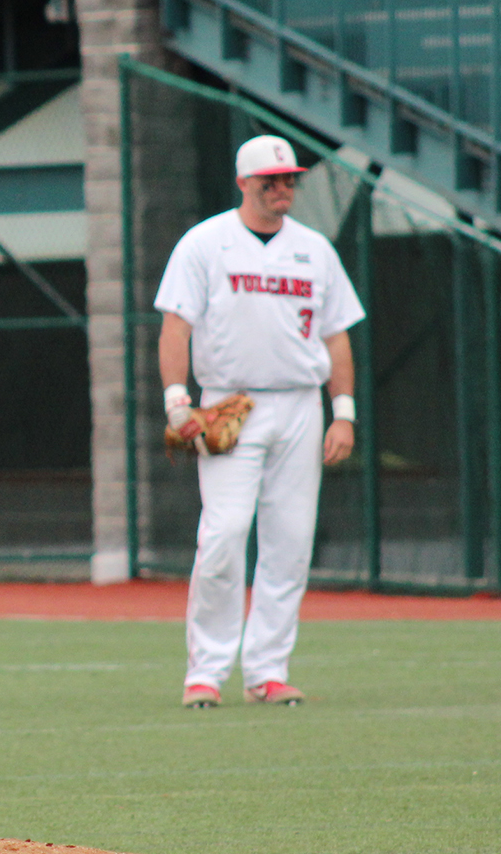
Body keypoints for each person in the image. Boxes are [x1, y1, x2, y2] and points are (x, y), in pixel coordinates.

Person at [154, 134, 365, 709]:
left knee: (290, 543)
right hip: (229, 402)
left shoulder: (315, 249)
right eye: (272, 181)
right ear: (245, 183)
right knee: (222, 536)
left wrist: (343, 412)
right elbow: (176, 327)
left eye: (291, 179)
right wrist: (179, 402)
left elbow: (336, 335)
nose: (283, 189)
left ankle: (267, 671)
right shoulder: (205, 243)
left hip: (300, 402)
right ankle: (206, 671)